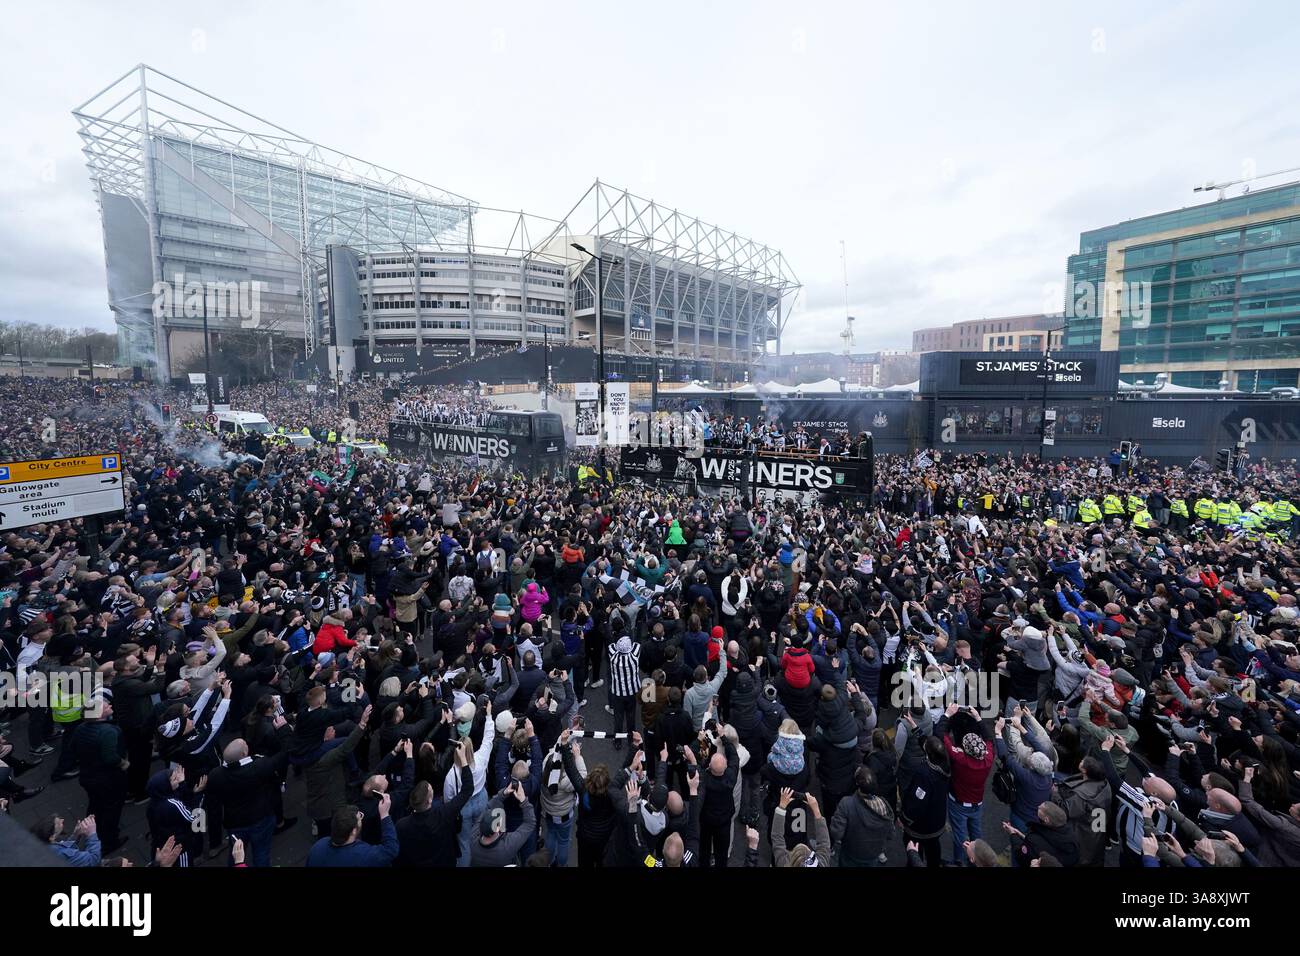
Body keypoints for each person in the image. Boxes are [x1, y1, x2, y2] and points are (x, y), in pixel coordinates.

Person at [307, 793, 399, 867]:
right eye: (360, 817)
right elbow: (391, 850)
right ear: (353, 831)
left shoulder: (318, 846)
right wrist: (385, 815)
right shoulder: (364, 856)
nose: (361, 819)